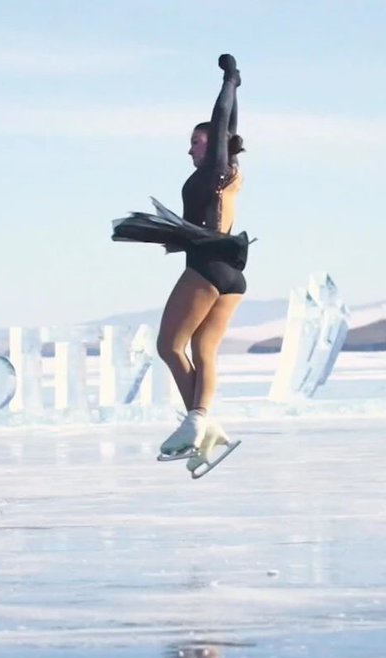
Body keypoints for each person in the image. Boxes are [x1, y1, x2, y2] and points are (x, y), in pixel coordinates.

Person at [153, 54, 246, 469]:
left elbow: (222, 119)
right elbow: (229, 125)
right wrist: (238, 86)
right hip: (234, 275)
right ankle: (207, 429)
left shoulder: (213, 169)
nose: (189, 147)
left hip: (207, 266)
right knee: (202, 348)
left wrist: (228, 81)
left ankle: (199, 423)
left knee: (169, 346)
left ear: (212, 144)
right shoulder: (230, 172)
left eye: (196, 141)